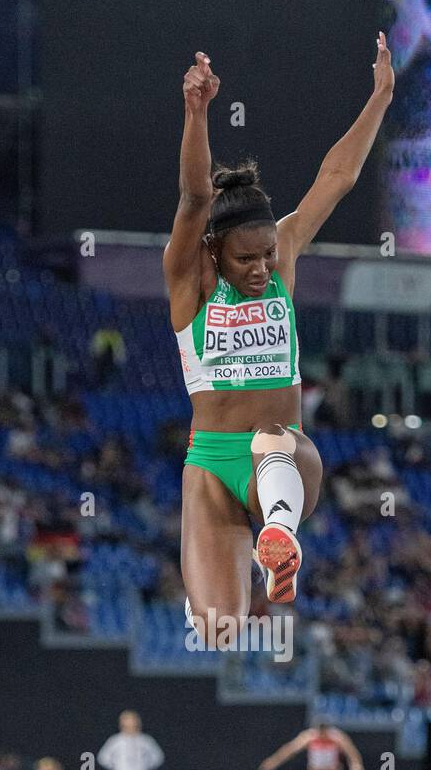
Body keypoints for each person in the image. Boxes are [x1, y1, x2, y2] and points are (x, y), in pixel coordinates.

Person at [164, 37, 395, 640]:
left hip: (284, 456)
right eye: (247, 258)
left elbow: (338, 176)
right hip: (213, 462)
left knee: (275, 440)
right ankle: (242, 570)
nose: (263, 267)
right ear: (215, 250)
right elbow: (194, 197)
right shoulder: (190, 279)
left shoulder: (283, 256)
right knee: (219, 630)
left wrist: (381, 96)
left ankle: (280, 539)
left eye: (269, 253)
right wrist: (196, 112)